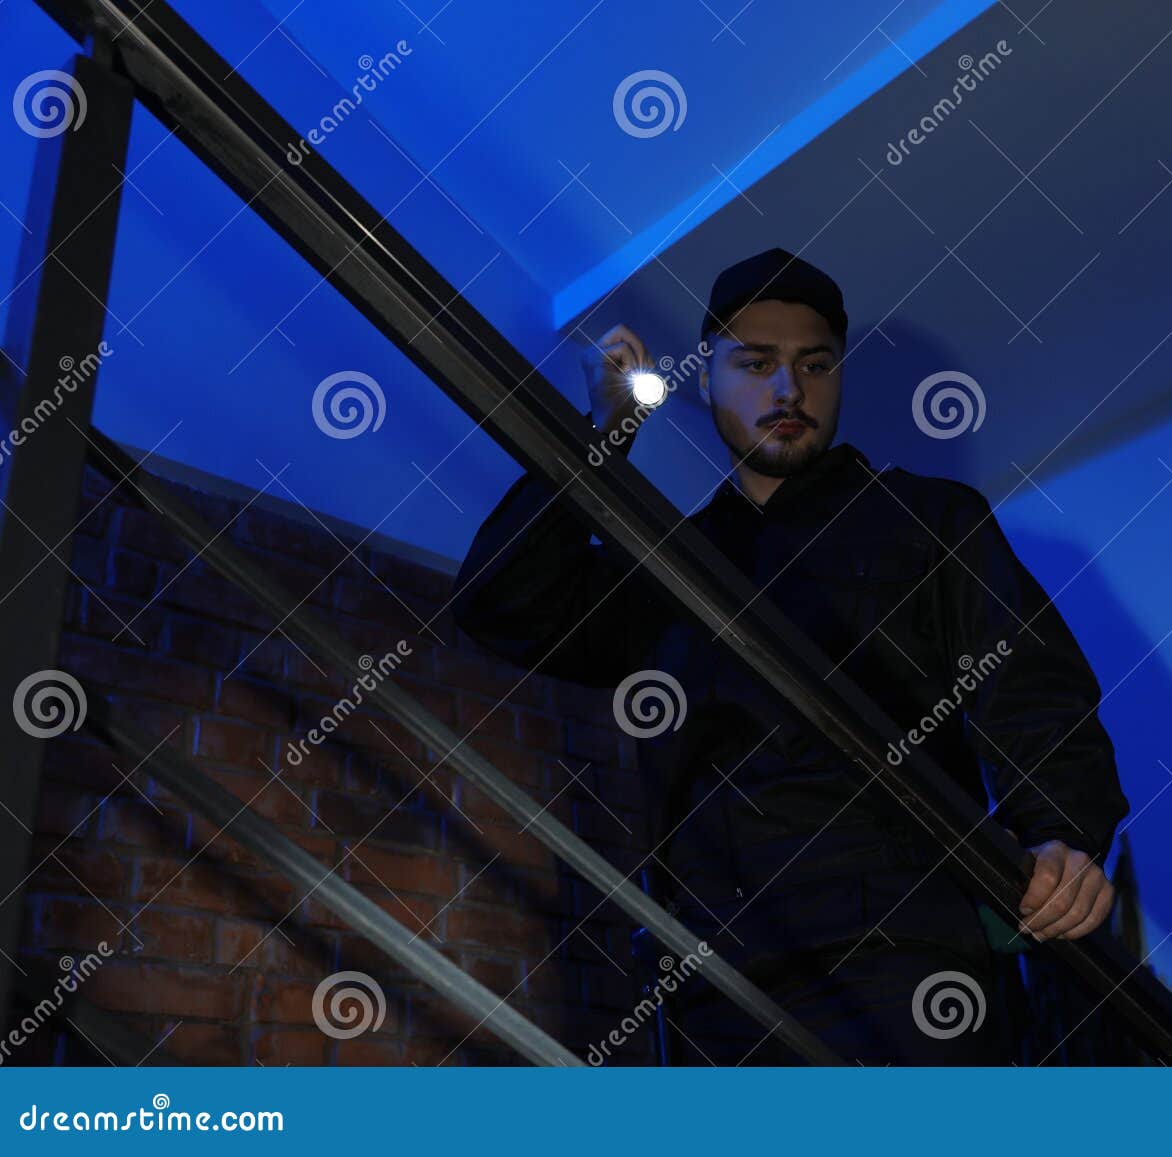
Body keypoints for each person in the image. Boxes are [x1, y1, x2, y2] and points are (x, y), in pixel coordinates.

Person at [450, 247, 1130, 1065]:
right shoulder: (669, 563)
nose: (788, 390)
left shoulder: (927, 520)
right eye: (755, 363)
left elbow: (1029, 682)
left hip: (907, 961)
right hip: (722, 985)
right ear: (706, 380)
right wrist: (602, 436)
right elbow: (501, 605)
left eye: (814, 364)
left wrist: (1060, 830)